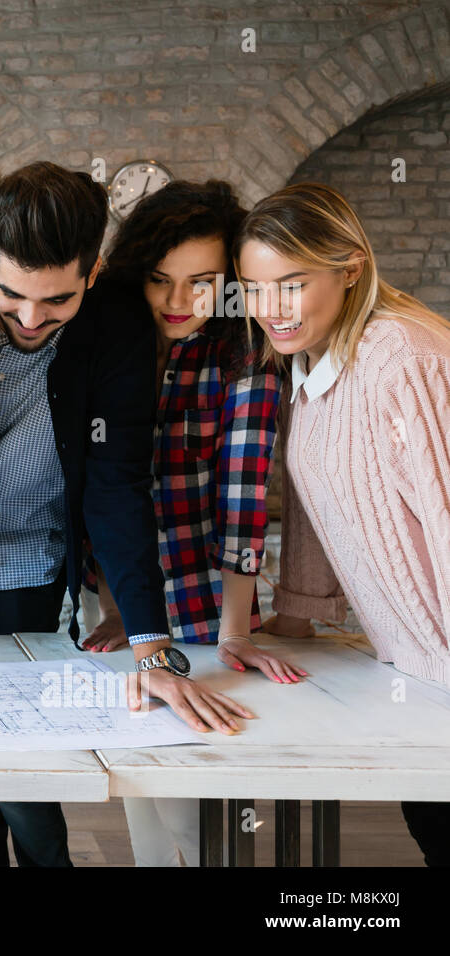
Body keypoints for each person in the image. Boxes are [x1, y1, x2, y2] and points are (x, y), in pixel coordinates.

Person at [0, 162, 253, 868]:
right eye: (12, 295)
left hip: (29, 562)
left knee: (23, 757)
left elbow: (115, 483)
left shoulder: (115, 326)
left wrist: (149, 645)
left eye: (57, 301)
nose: (30, 319)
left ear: (95, 272)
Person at [84, 179, 307, 865]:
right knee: (142, 790)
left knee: (200, 814)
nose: (178, 304)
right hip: (125, 596)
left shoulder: (246, 352)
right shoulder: (118, 341)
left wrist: (234, 631)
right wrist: (122, 605)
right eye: (159, 280)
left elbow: (243, 494)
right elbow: (105, 490)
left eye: (202, 283)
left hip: (207, 598)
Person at [235, 182, 450, 866]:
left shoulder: (404, 358)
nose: (270, 309)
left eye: (291, 284)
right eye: (255, 288)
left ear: (351, 267)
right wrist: (294, 616)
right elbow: (316, 504)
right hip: (417, 672)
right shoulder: (315, 361)